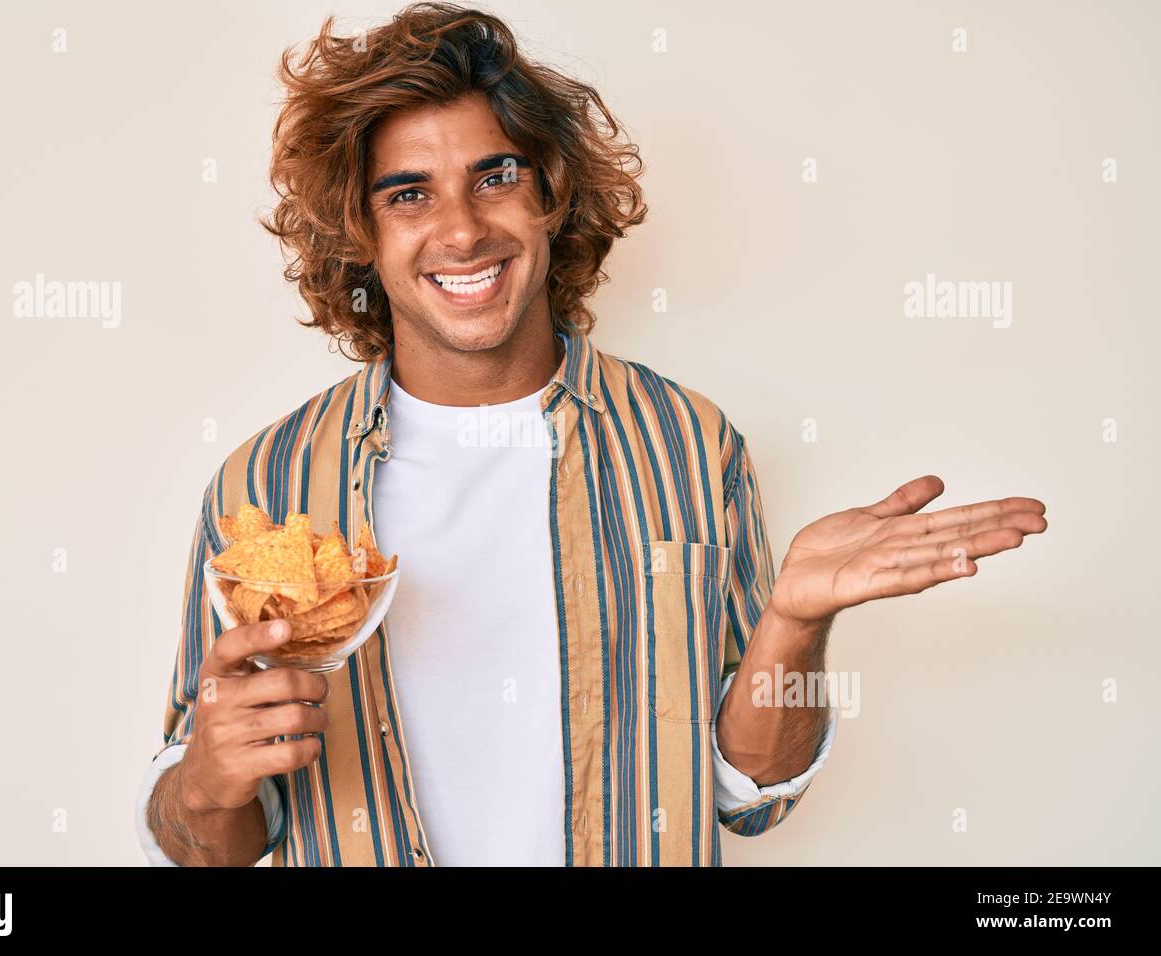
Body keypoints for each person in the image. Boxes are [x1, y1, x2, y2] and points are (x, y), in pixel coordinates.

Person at [135, 2, 1047, 867]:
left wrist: (794, 624)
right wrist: (209, 786)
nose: (460, 229)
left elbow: (751, 792)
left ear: (552, 196)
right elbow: (203, 844)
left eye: (495, 177)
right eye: (408, 195)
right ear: (361, 234)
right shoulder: (267, 485)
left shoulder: (691, 445)